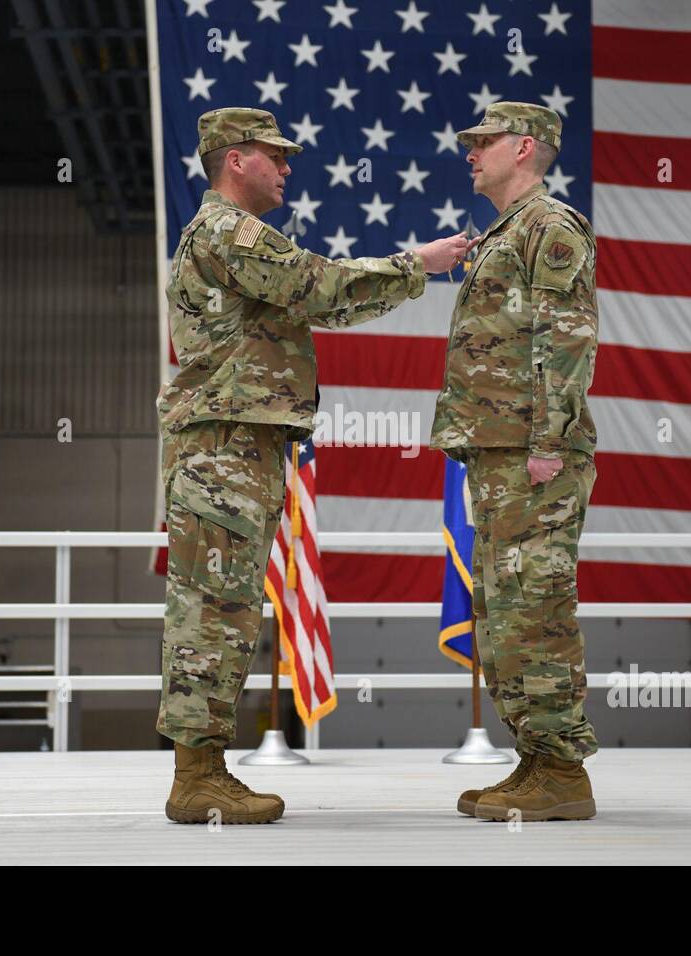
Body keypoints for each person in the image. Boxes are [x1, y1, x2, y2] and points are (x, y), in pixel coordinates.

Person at [157, 108, 471, 823]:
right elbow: (320, 289)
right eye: (276, 155)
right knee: (212, 613)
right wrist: (415, 265)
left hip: (241, 445)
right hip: (225, 448)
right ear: (236, 160)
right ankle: (195, 775)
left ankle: (202, 769)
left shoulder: (227, 236)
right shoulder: (228, 232)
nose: (288, 168)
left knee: (228, 611)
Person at [430, 103, 602, 821]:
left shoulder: (550, 228)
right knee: (505, 610)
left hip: (533, 456)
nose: (470, 153)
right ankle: (536, 756)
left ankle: (563, 771)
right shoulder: (508, 230)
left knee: (536, 607)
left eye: (483, 143)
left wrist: (548, 442)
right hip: (499, 453)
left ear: (524, 147)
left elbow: (565, 341)